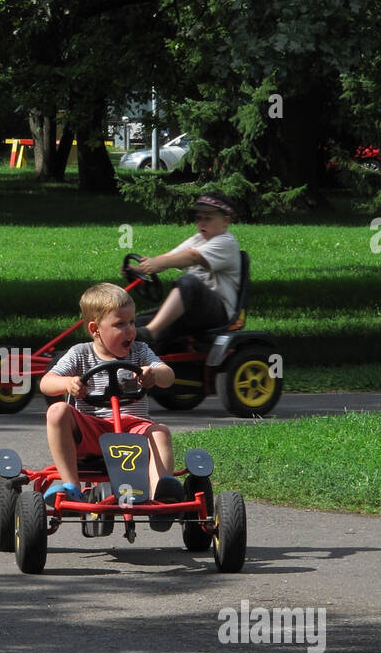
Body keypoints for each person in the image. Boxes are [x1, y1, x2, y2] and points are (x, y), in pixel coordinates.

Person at [40, 282, 184, 513]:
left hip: (134, 429)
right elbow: (46, 383)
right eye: (120, 324)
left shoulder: (140, 351)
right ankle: (71, 486)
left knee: (160, 431)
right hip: (93, 430)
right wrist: (68, 383)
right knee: (57, 411)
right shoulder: (80, 354)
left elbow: (168, 376)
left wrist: (154, 373)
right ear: (95, 329)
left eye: (132, 322)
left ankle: (161, 495)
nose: (130, 330)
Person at [133, 191, 241, 343]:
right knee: (137, 323)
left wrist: (160, 263)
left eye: (208, 218)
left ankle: (152, 332)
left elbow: (193, 256)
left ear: (225, 220)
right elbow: (170, 258)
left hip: (219, 312)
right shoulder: (198, 239)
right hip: (193, 308)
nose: (201, 223)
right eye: (198, 218)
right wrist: (137, 269)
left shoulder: (226, 242)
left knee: (188, 282)